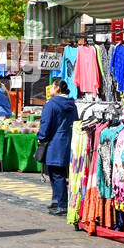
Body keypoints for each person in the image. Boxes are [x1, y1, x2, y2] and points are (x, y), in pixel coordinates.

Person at [36, 80, 79, 215]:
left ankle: (62, 204)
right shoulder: (72, 105)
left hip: (54, 143)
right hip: (68, 141)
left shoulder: (51, 104)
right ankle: (56, 200)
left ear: (58, 88)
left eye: (52, 87)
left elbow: (45, 123)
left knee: (56, 173)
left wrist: (41, 137)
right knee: (57, 171)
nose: (50, 89)